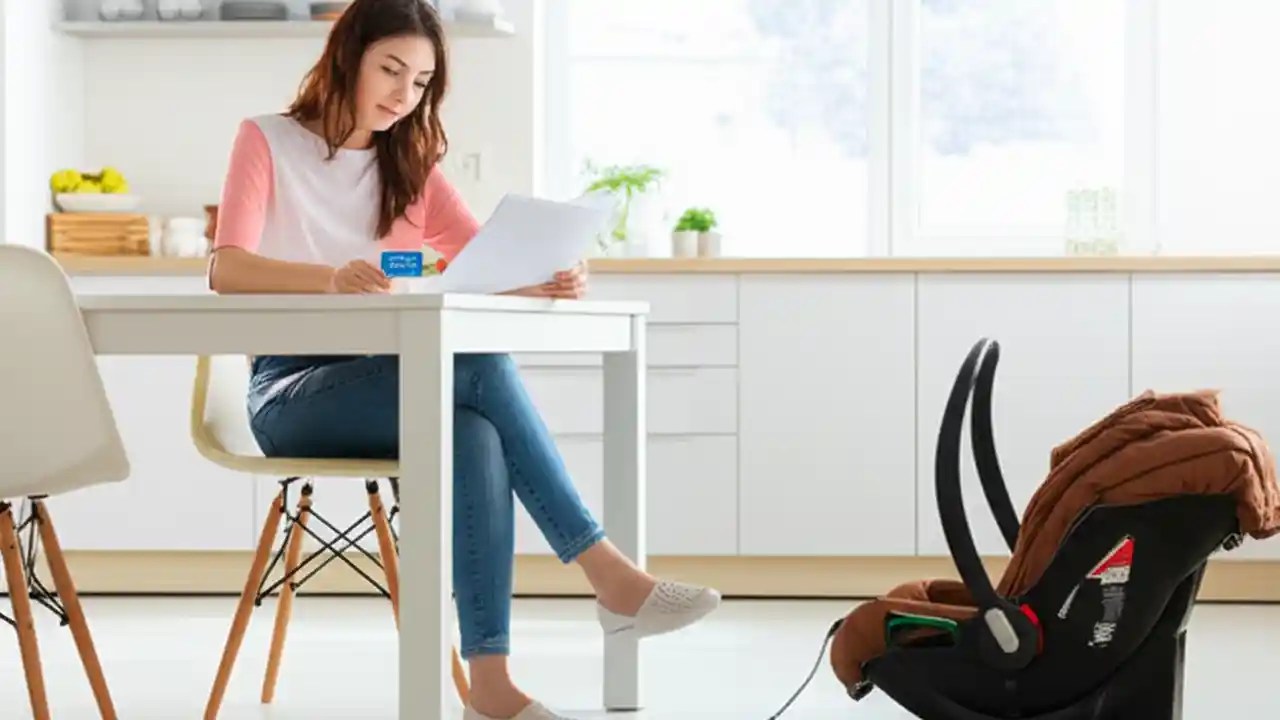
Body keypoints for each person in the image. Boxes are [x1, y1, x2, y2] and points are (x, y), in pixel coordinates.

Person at [205, 1, 720, 718]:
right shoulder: (265, 140)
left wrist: (546, 276)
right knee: (479, 367)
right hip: (291, 389)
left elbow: (483, 258)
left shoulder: (409, 163)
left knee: (474, 432)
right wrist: (328, 276)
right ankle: (606, 573)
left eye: (419, 82)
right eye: (390, 69)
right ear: (347, 55)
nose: (401, 93)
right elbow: (226, 269)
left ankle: (491, 686)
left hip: (392, 375)